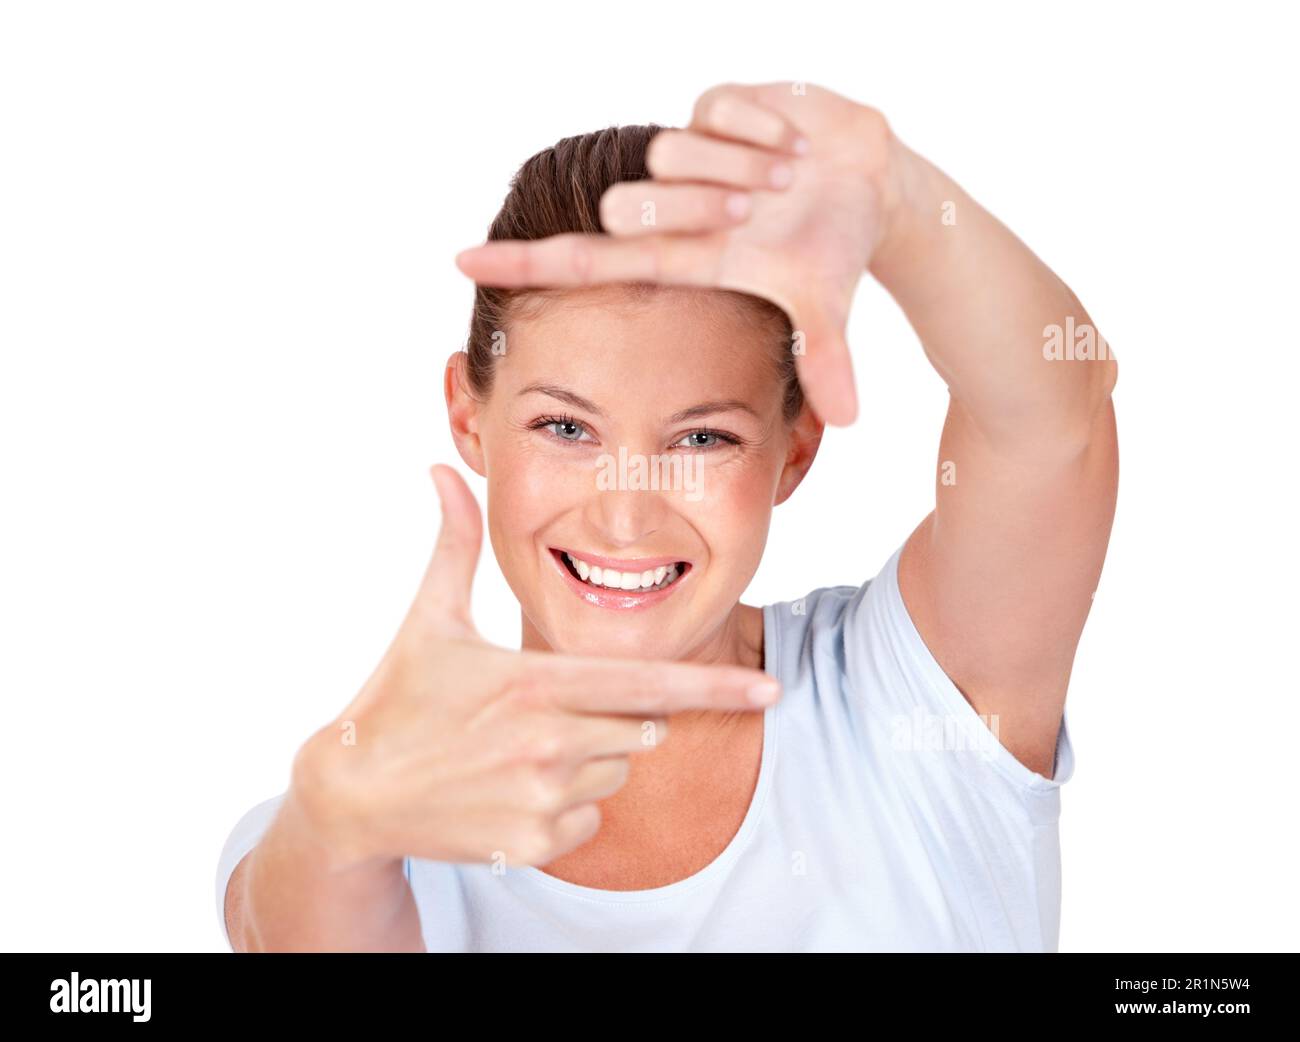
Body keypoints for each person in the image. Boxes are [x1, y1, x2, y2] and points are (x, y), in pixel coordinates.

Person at [215, 81, 1117, 952]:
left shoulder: (909, 703)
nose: (623, 514)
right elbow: (282, 932)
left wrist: (900, 199)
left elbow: (1055, 421)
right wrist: (336, 808)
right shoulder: (368, 820)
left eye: (702, 439)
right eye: (565, 427)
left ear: (794, 447)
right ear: (467, 415)